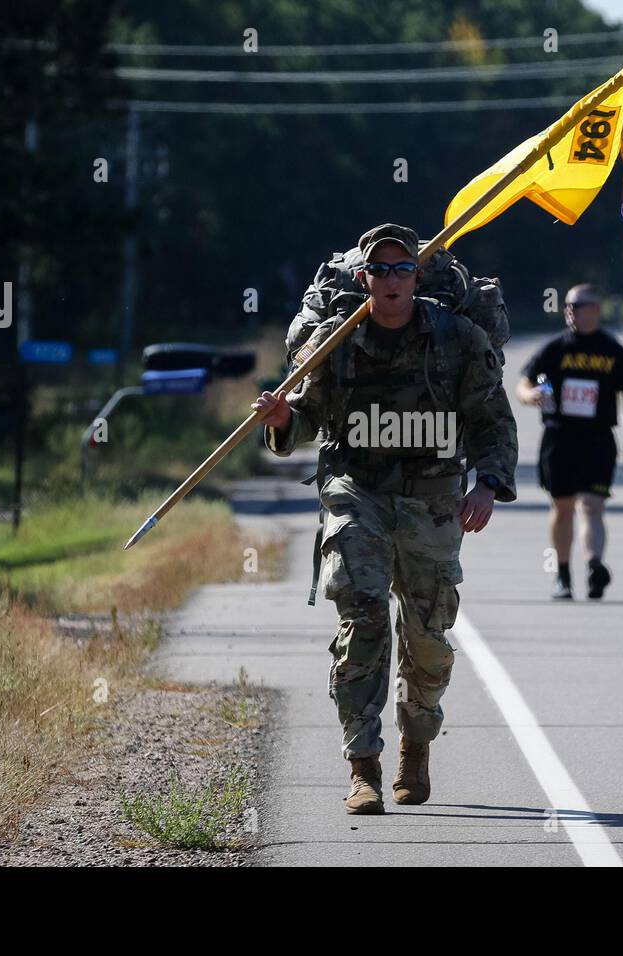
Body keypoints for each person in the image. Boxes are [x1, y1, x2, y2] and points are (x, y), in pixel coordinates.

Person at [252, 223, 518, 815]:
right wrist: (276, 417)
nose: (392, 280)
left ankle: (415, 751)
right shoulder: (334, 343)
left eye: (403, 269)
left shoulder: (457, 338)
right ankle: (362, 768)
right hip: (357, 495)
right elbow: (302, 422)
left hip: (433, 499)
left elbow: (492, 419)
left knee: (426, 636)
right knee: (363, 618)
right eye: (381, 270)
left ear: (418, 276)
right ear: (363, 277)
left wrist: (490, 485)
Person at [515, 284, 623, 600]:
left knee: (592, 505)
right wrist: (529, 395)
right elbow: (523, 383)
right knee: (562, 508)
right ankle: (562, 576)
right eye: (568, 306)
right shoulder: (555, 348)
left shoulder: (611, 349)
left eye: (578, 305)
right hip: (559, 438)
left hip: (598, 439)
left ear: (596, 309)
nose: (571, 311)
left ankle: (594, 567)